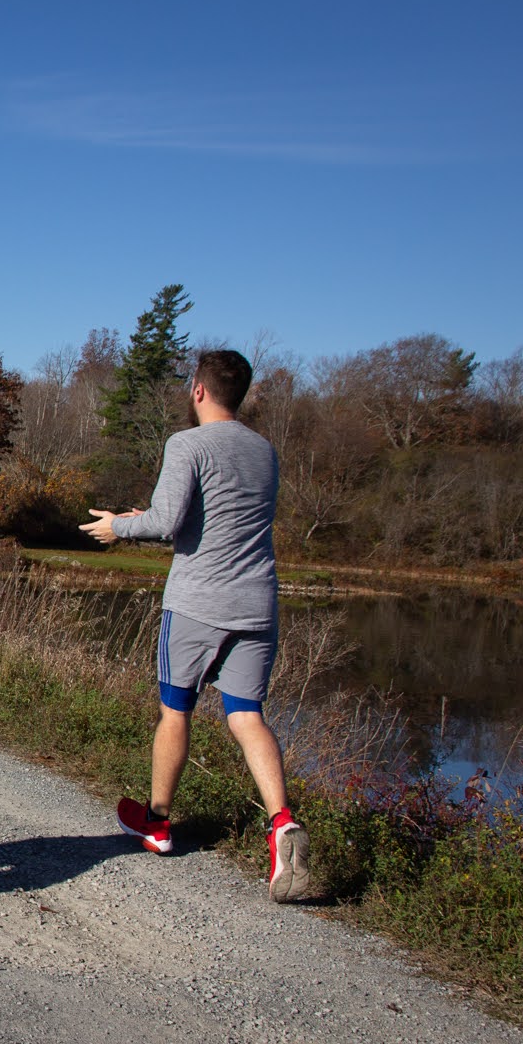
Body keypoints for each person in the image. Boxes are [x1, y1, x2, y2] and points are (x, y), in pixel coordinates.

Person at [81, 349, 312, 903]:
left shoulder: (186, 444)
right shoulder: (264, 451)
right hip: (257, 605)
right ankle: (282, 823)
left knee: (175, 711)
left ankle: (158, 822)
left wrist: (119, 526)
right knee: (247, 716)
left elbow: (166, 523)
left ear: (198, 390)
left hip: (197, 604)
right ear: (242, 393)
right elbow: (220, 521)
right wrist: (151, 519)